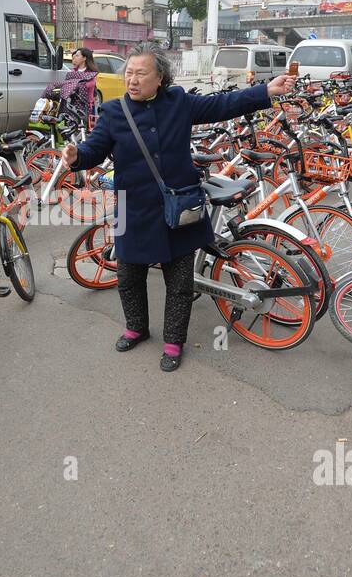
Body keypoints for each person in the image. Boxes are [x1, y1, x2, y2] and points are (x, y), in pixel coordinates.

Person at [60, 43, 293, 372]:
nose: (133, 80)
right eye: (129, 73)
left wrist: (264, 91)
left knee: (179, 283)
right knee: (129, 276)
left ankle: (173, 342)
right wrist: (77, 157)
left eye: (141, 74)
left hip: (178, 205)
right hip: (132, 206)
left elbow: (221, 105)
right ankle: (136, 328)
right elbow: (94, 149)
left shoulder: (178, 102)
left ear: (160, 78)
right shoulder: (114, 112)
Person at [43, 47, 99, 124]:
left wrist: (73, 84)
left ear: (84, 58)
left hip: (87, 107)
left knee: (85, 130)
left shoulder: (91, 73)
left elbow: (87, 85)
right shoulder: (72, 72)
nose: (74, 57)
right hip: (71, 106)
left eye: (77, 55)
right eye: (74, 56)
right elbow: (67, 86)